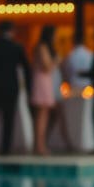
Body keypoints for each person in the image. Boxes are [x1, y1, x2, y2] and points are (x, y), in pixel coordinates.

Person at [0, 21, 31, 155]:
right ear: (11, 31)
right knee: (8, 119)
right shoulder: (16, 47)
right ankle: (5, 149)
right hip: (10, 88)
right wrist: (29, 89)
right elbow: (26, 68)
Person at [30, 26, 59, 155]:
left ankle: (40, 145)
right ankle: (39, 146)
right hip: (41, 82)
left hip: (45, 82)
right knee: (41, 115)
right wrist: (57, 61)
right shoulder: (42, 47)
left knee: (43, 115)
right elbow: (47, 67)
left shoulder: (41, 47)